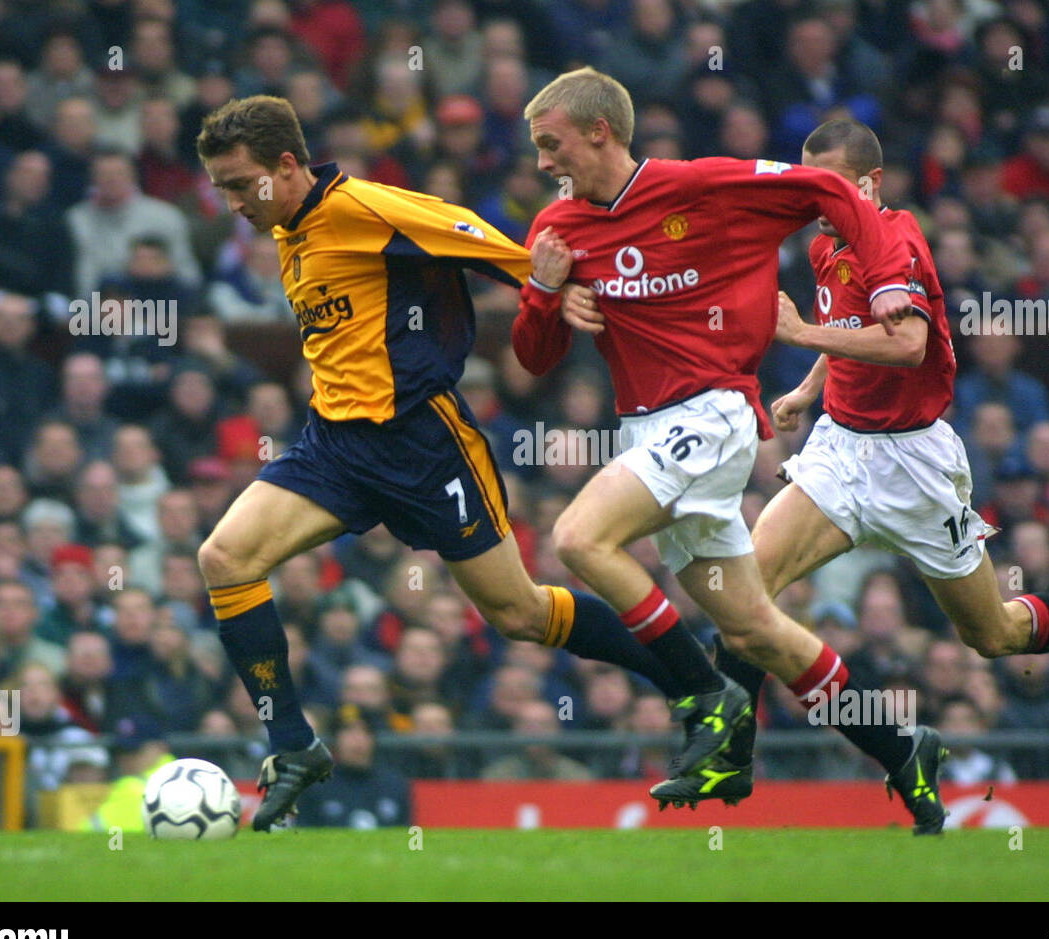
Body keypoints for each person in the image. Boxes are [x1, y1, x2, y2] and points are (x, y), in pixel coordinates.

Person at [193, 95, 743, 831]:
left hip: (424, 442)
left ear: (287, 166)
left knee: (518, 612)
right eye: (222, 188)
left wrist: (547, 286)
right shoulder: (290, 227)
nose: (231, 202)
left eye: (239, 184)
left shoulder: (366, 207)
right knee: (225, 558)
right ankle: (294, 745)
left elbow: (466, 231)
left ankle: (698, 684)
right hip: (335, 445)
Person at [628, 120, 1049, 824]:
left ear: (869, 183)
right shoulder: (829, 245)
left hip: (915, 462)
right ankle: (738, 757)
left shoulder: (898, 239)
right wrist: (806, 386)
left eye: (827, 185)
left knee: (992, 635)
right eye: (807, 185)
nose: (814, 200)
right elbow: (852, 328)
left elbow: (909, 343)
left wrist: (798, 336)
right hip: (841, 448)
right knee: (745, 595)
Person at [512, 69, 967, 831]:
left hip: (715, 413)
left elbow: (833, 191)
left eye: (551, 144)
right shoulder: (556, 234)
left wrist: (887, 278)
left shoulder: (704, 187)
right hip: (645, 430)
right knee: (755, 629)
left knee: (578, 537)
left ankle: (703, 698)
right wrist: (546, 292)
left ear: (600, 132)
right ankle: (900, 747)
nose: (541, 164)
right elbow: (533, 360)